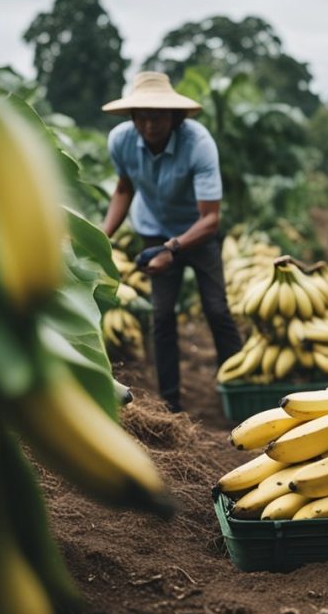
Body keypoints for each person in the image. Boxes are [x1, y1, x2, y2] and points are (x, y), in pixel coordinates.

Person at [101, 71, 242, 413]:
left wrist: (171, 249)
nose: (150, 126)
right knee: (162, 316)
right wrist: (100, 238)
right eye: (143, 117)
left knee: (217, 310)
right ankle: (170, 405)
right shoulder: (120, 141)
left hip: (198, 233)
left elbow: (210, 218)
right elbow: (124, 189)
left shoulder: (198, 144)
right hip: (154, 229)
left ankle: (237, 391)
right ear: (133, 117)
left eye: (159, 117)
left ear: (175, 117)